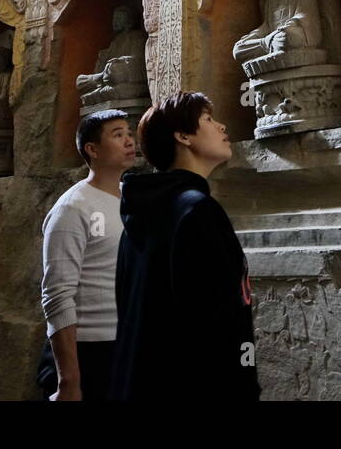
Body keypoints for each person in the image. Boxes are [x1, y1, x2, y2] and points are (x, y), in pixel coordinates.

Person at [109, 92, 259, 401]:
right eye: (207, 119)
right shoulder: (197, 210)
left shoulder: (140, 213)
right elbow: (218, 320)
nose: (221, 126)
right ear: (182, 136)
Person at [38, 109, 139, 401]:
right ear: (92, 149)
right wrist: (68, 379)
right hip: (89, 349)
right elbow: (57, 293)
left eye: (129, 134)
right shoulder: (73, 207)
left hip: (125, 342)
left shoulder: (132, 199)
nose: (129, 141)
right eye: (117, 135)